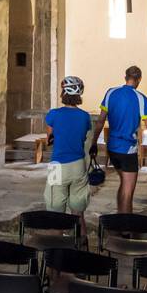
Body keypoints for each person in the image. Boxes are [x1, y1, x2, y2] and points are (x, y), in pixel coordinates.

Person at [94, 65, 147, 214]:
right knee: (128, 192)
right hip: (128, 150)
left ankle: (119, 217)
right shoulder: (141, 99)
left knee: (123, 183)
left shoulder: (111, 93)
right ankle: (125, 228)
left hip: (112, 147)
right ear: (139, 79)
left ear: (125, 77)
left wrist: (93, 143)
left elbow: (100, 121)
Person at [44, 75, 94, 231]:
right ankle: (81, 247)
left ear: (63, 93)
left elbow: (49, 139)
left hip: (57, 166)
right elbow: (85, 138)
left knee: (55, 215)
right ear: (79, 94)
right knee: (78, 213)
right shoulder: (85, 117)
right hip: (78, 165)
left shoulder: (53, 114)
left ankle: (57, 251)